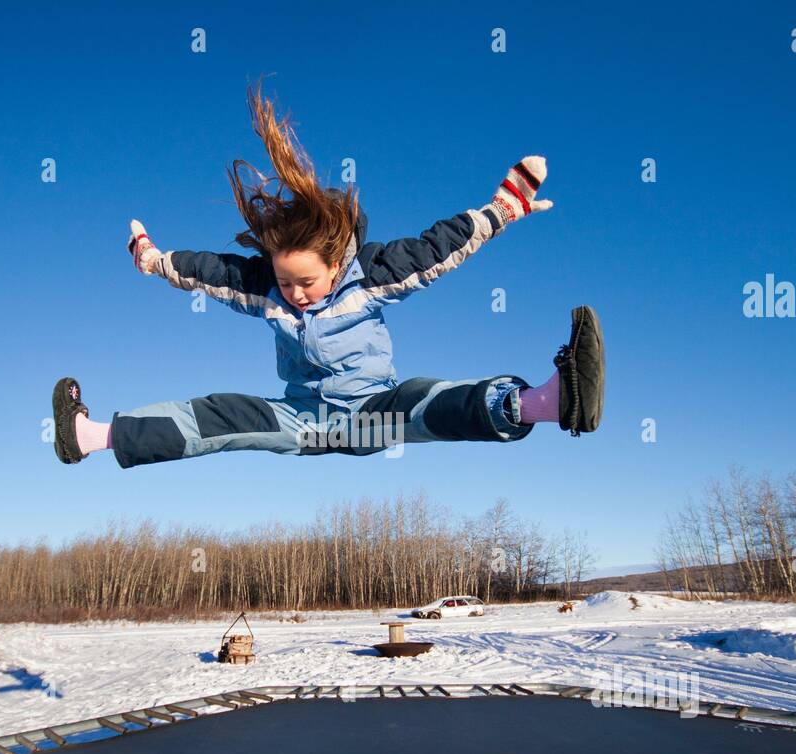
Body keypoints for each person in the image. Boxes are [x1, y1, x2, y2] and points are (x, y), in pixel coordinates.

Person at [52, 79, 604, 468]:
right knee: (220, 417)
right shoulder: (266, 289)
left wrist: (502, 209)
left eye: (306, 283)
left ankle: (540, 403)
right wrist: (153, 259)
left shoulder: (374, 274)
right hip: (304, 418)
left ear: (336, 264)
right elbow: (207, 271)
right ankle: (91, 435)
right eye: (285, 282)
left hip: (371, 412)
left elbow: (442, 248)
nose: (293, 295)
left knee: (427, 401)